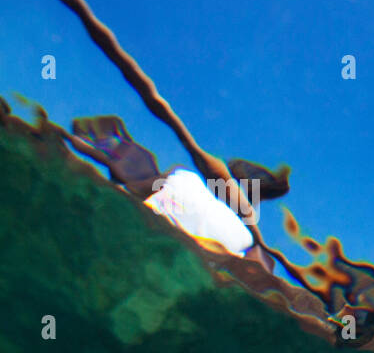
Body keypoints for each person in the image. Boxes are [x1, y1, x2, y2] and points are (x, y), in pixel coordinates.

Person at [67, 115, 286, 272]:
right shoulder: (245, 243)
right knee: (150, 186)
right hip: (205, 220)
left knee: (150, 182)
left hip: (192, 197)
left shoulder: (244, 238)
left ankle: (116, 147)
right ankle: (113, 148)